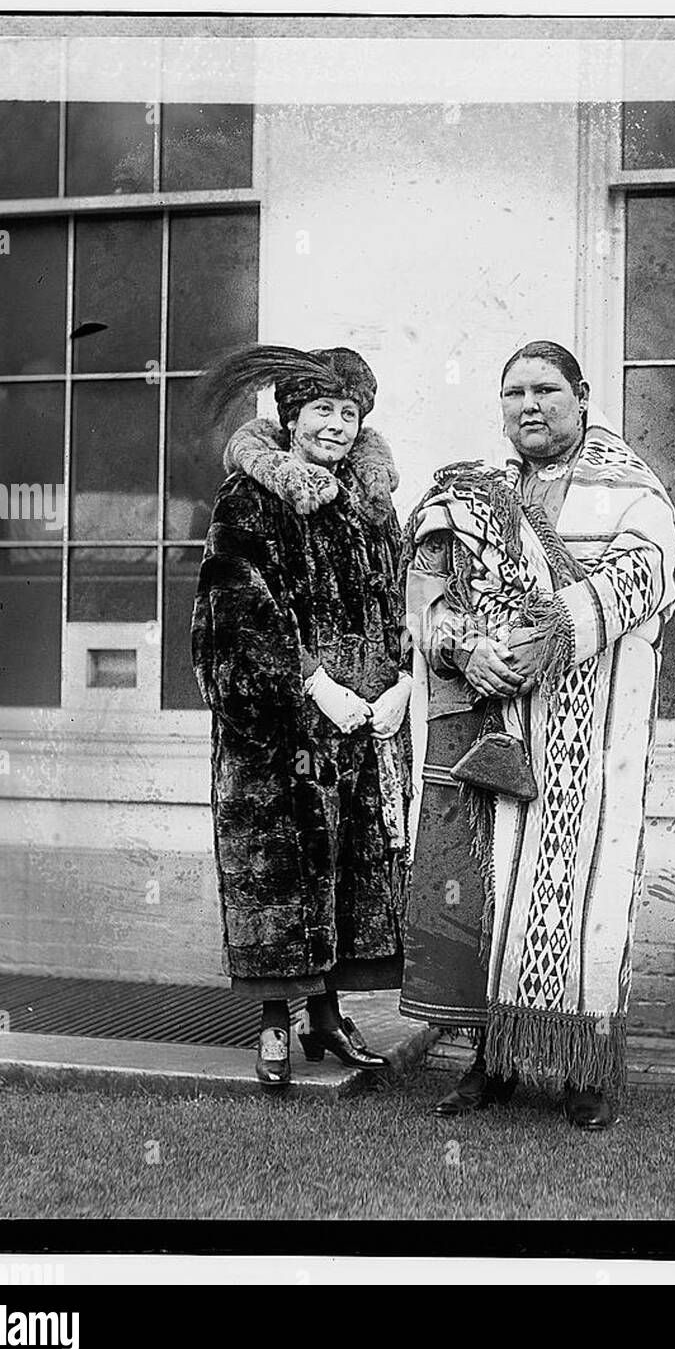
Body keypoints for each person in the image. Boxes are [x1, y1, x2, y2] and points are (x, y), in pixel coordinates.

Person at [400, 340, 675, 1129]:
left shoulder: (631, 491)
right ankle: (491, 1063)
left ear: (582, 397)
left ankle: (584, 1075)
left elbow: (644, 576)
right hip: (496, 730)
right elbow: (433, 598)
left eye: (546, 390)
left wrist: (540, 637)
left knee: (585, 901)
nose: (529, 405)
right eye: (514, 392)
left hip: (591, 731)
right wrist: (466, 650)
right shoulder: (479, 495)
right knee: (495, 903)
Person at [192, 345, 412, 1087]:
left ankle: (326, 1021)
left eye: (350, 413)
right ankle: (273, 1027)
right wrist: (313, 685)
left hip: (359, 733)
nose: (337, 426)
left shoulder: (374, 510)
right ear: (290, 419)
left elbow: (400, 605)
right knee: (281, 875)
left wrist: (398, 687)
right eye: (322, 410)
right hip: (278, 735)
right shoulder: (248, 501)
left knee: (345, 876)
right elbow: (236, 613)